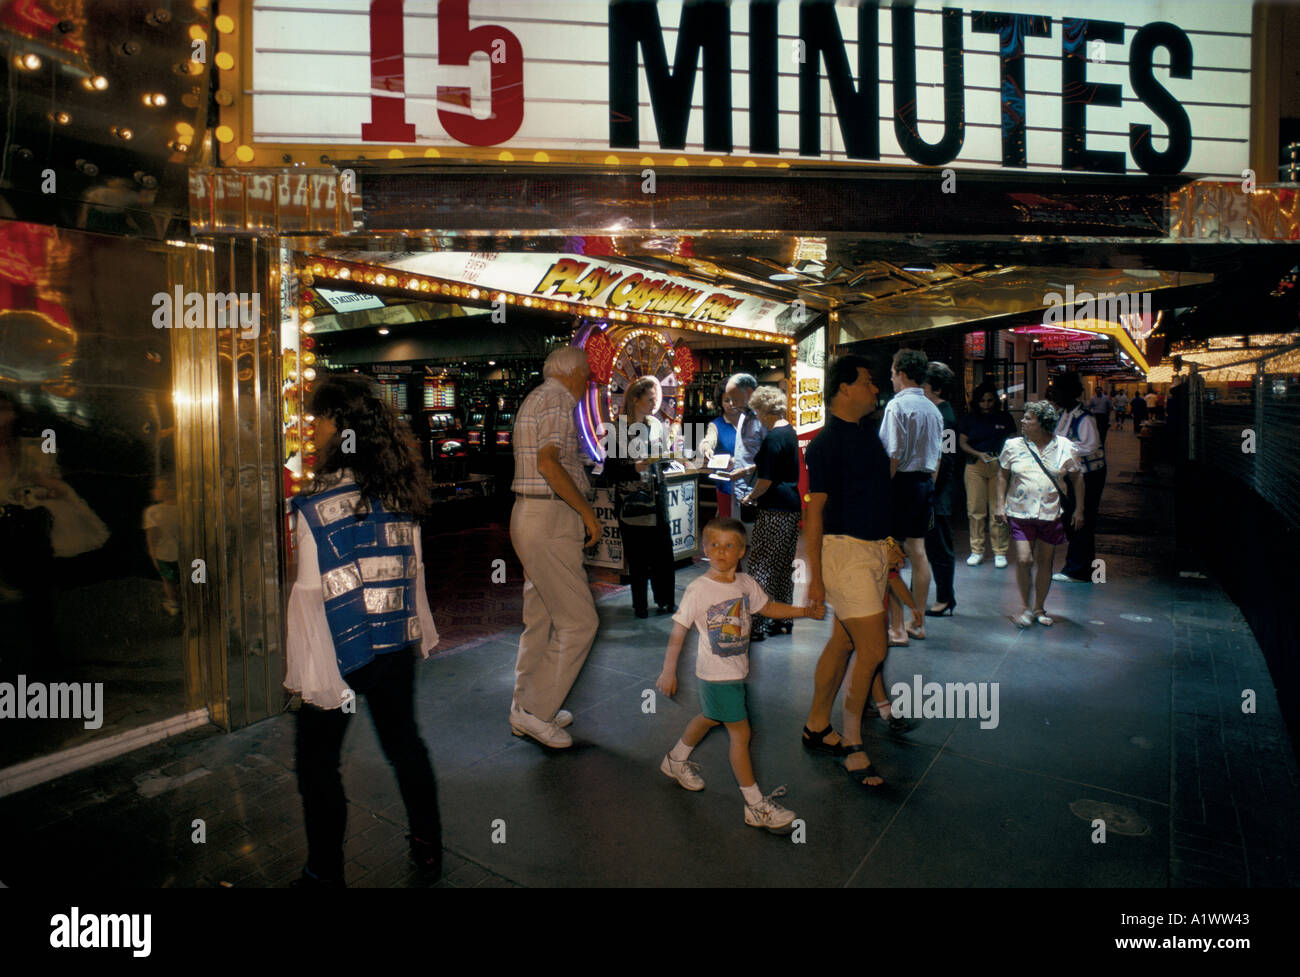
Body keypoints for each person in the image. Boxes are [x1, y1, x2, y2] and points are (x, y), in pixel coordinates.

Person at [285, 373, 442, 888]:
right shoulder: (397, 489)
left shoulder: (319, 501)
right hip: (394, 642)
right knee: (405, 747)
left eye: (318, 419)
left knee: (317, 766)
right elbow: (413, 572)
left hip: (340, 652)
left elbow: (312, 594)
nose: (313, 429)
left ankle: (324, 872)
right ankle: (427, 848)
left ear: (338, 425)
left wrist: (313, 674)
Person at [656, 518, 824, 832]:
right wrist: (668, 670)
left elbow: (768, 607)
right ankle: (755, 804)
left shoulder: (745, 584)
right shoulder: (699, 589)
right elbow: (678, 630)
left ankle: (675, 760)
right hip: (717, 676)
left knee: (709, 717)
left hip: (731, 674)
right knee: (741, 735)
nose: (721, 551)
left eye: (729, 545)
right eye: (714, 545)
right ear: (705, 549)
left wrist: (803, 611)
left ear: (742, 550)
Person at [801, 355, 910, 792]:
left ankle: (815, 726)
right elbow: (815, 515)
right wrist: (815, 578)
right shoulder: (825, 444)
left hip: (871, 551)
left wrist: (888, 540)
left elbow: (876, 496)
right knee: (873, 648)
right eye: (867, 382)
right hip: (844, 554)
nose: (875, 389)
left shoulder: (868, 435)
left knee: (843, 642)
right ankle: (851, 741)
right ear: (844, 388)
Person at [508, 346, 601, 749]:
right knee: (580, 622)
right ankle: (534, 712)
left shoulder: (537, 396)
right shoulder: (560, 399)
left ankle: (526, 707)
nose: (588, 384)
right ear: (575, 373)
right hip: (550, 518)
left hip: (530, 515)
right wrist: (588, 513)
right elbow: (549, 463)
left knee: (543, 617)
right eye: (588, 376)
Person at [994, 400, 1085, 627]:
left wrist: (1079, 509)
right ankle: (1024, 607)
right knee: (1024, 559)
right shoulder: (1013, 445)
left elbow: (1077, 478)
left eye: (1028, 418)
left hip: (1051, 513)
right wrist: (999, 505)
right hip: (1020, 512)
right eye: (1023, 417)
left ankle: (1038, 608)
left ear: (1043, 424)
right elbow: (1002, 475)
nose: (1022, 422)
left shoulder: (1065, 447)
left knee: (1046, 561)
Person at [880, 349, 943, 643]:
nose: (891, 378)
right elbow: (937, 458)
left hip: (897, 485)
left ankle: (897, 629)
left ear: (902, 373)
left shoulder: (897, 407)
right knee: (919, 553)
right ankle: (918, 621)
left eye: (893, 372)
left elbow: (892, 455)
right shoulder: (934, 409)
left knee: (891, 556)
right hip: (923, 484)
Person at [608, 375, 675, 618]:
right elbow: (610, 471)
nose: (654, 403)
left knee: (662, 556)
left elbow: (663, 456)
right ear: (635, 399)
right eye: (650, 398)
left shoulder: (655, 425)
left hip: (657, 500)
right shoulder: (617, 428)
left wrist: (666, 459)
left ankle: (665, 600)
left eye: (655, 399)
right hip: (632, 504)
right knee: (638, 559)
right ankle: (640, 605)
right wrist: (634, 468)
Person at [739, 386, 802, 640]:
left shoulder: (773, 438)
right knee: (783, 566)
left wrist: (750, 496)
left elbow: (765, 480)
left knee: (761, 566)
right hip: (791, 506)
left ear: (765, 410)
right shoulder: (789, 432)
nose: (758, 418)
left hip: (773, 508)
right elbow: (777, 465)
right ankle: (783, 618)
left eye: (758, 412)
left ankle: (758, 625)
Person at [1052, 372, 1106, 585]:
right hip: (1074, 475)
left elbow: (1090, 445)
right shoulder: (1065, 413)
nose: (1055, 395)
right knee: (1074, 518)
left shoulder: (1085, 417)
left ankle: (1077, 569)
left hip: (1089, 475)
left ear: (1068, 393)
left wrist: (1063, 449)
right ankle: (1083, 567)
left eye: (1058, 391)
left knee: (1081, 518)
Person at [958, 382, 1015, 568]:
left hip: (999, 466)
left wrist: (1004, 458)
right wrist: (978, 454)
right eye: (982, 401)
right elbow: (962, 442)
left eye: (990, 400)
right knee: (975, 510)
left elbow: (1013, 440)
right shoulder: (969, 419)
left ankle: (1000, 552)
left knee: (998, 509)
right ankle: (977, 550)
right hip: (975, 465)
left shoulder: (1004, 417)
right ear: (977, 402)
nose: (987, 404)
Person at [922, 362, 958, 616]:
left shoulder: (944, 416)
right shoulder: (941, 412)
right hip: (937, 491)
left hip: (938, 493)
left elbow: (944, 458)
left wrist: (930, 490)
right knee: (929, 544)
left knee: (938, 546)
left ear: (934, 387)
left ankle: (945, 597)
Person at [725, 373, 766, 523]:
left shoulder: (765, 418)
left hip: (757, 495)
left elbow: (773, 461)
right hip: (739, 491)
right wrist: (733, 461)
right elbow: (749, 452)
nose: (733, 404)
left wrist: (746, 470)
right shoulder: (743, 416)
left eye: (735, 399)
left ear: (749, 392)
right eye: (729, 400)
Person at [696, 380, 740, 518]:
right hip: (725, 485)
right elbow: (707, 441)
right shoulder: (716, 425)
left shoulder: (750, 423)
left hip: (749, 485)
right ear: (720, 402)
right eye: (727, 400)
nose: (731, 403)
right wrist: (707, 448)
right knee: (728, 525)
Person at [143, 473, 181, 616]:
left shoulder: (153, 512)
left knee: (169, 581)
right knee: (182, 578)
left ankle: (173, 603)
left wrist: (153, 553)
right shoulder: (184, 508)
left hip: (165, 554)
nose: (155, 491)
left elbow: (151, 537)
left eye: (159, 488)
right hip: (180, 553)